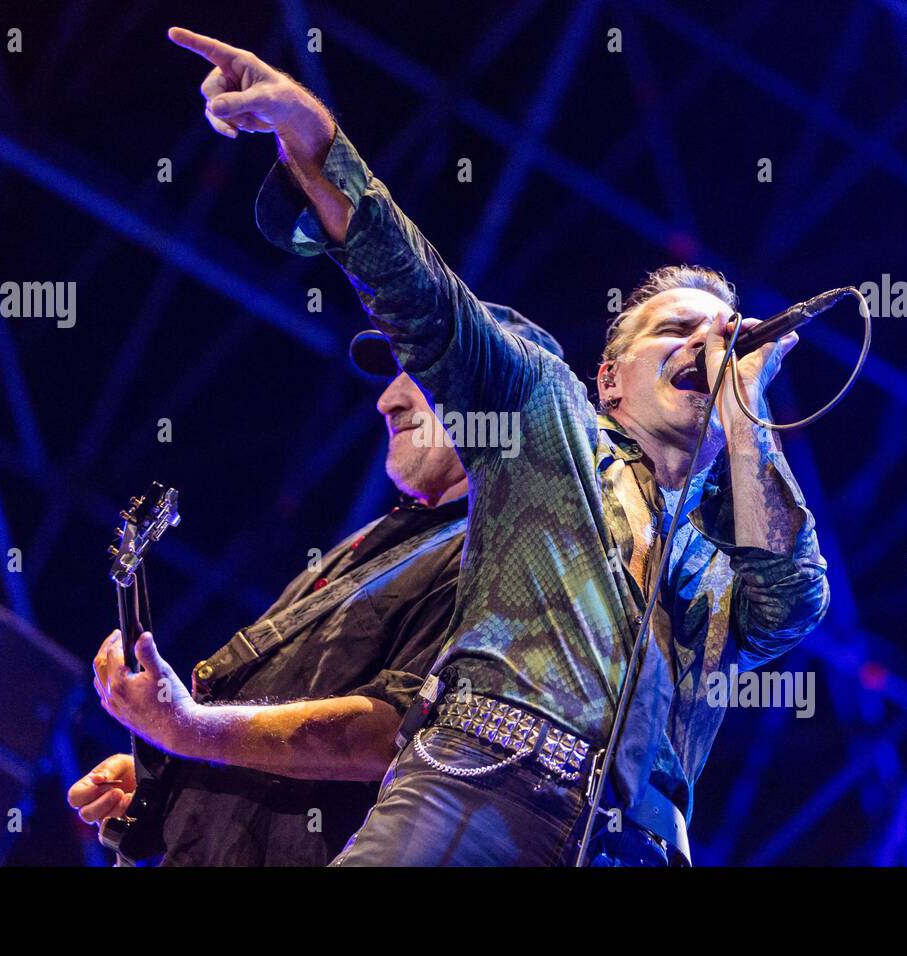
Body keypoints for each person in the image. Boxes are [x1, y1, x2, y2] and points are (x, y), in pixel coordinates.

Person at [168, 26, 829, 866]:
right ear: (612, 378)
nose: (705, 344)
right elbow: (426, 302)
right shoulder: (549, 419)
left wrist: (748, 420)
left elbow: (794, 604)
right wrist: (313, 141)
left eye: (720, 334)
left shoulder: (728, 555)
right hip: (475, 792)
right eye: (675, 329)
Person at [67, 311, 561, 865]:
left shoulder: (501, 555)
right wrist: (179, 773)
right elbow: (268, 727)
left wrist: (191, 731)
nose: (387, 401)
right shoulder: (366, 545)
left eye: (419, 377)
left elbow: (400, 731)